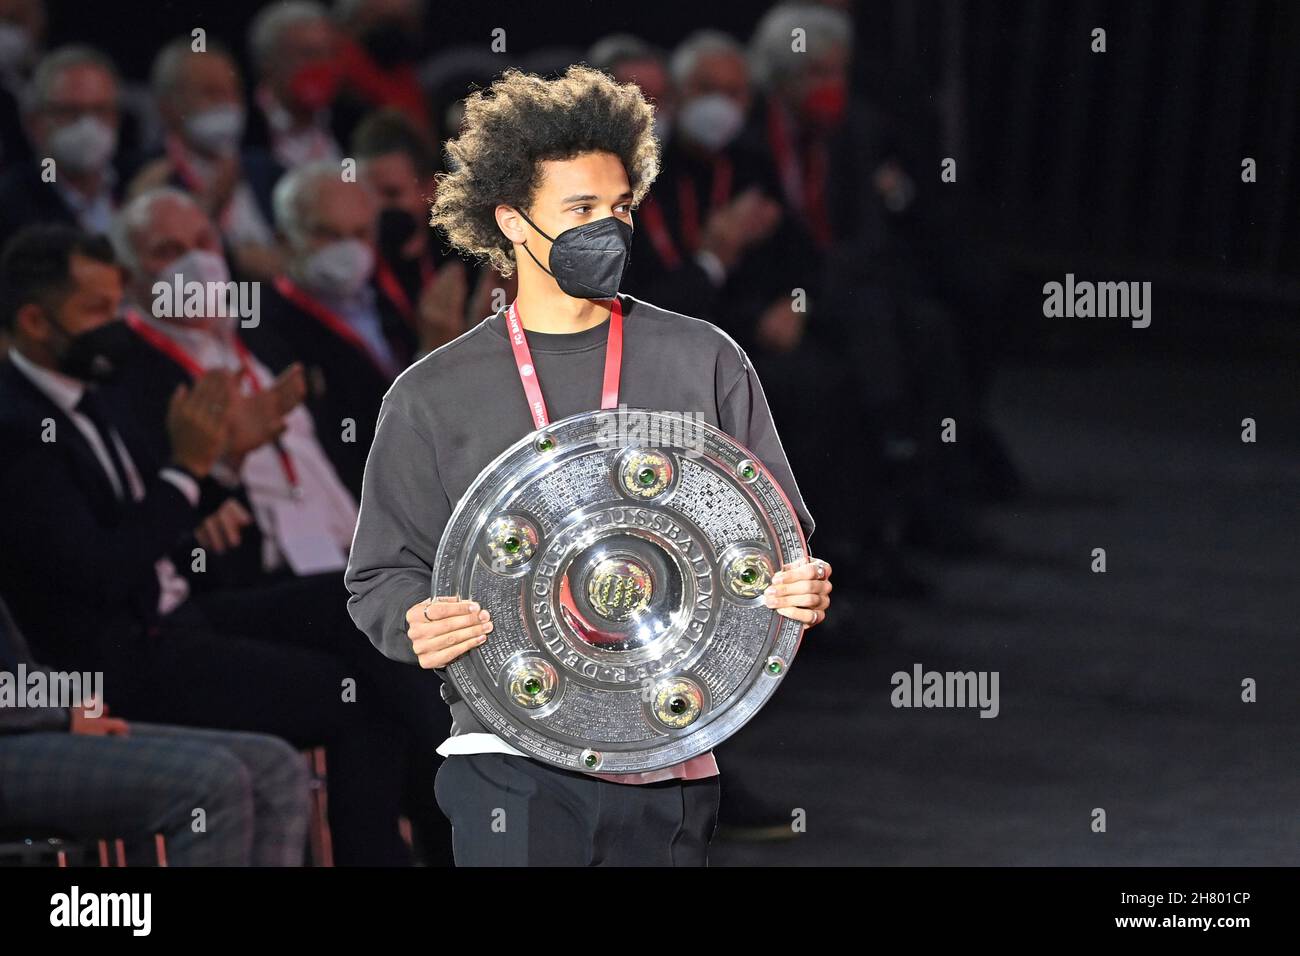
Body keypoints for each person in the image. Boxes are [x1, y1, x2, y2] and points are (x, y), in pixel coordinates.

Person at [345, 64, 833, 867]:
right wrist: (414, 623)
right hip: (506, 757)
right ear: (510, 221)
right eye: (580, 211)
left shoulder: (703, 359)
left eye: (619, 208)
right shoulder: (432, 394)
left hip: (674, 757)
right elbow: (382, 576)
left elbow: (776, 533)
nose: (608, 230)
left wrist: (798, 582)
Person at [0, 224, 418, 864]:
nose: (115, 325)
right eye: (94, 311)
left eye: (117, 305)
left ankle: (455, 799)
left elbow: (153, 517)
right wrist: (190, 473)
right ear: (33, 320)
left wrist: (221, 469)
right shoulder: (20, 428)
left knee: (358, 610)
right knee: (354, 696)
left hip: (178, 616)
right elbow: (102, 570)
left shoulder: (96, 392)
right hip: (122, 655)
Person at [0, 593, 310, 866]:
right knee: (211, 782)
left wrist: (76, 696)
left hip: (32, 716)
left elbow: (19, 669)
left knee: (274, 767)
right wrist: (61, 717)